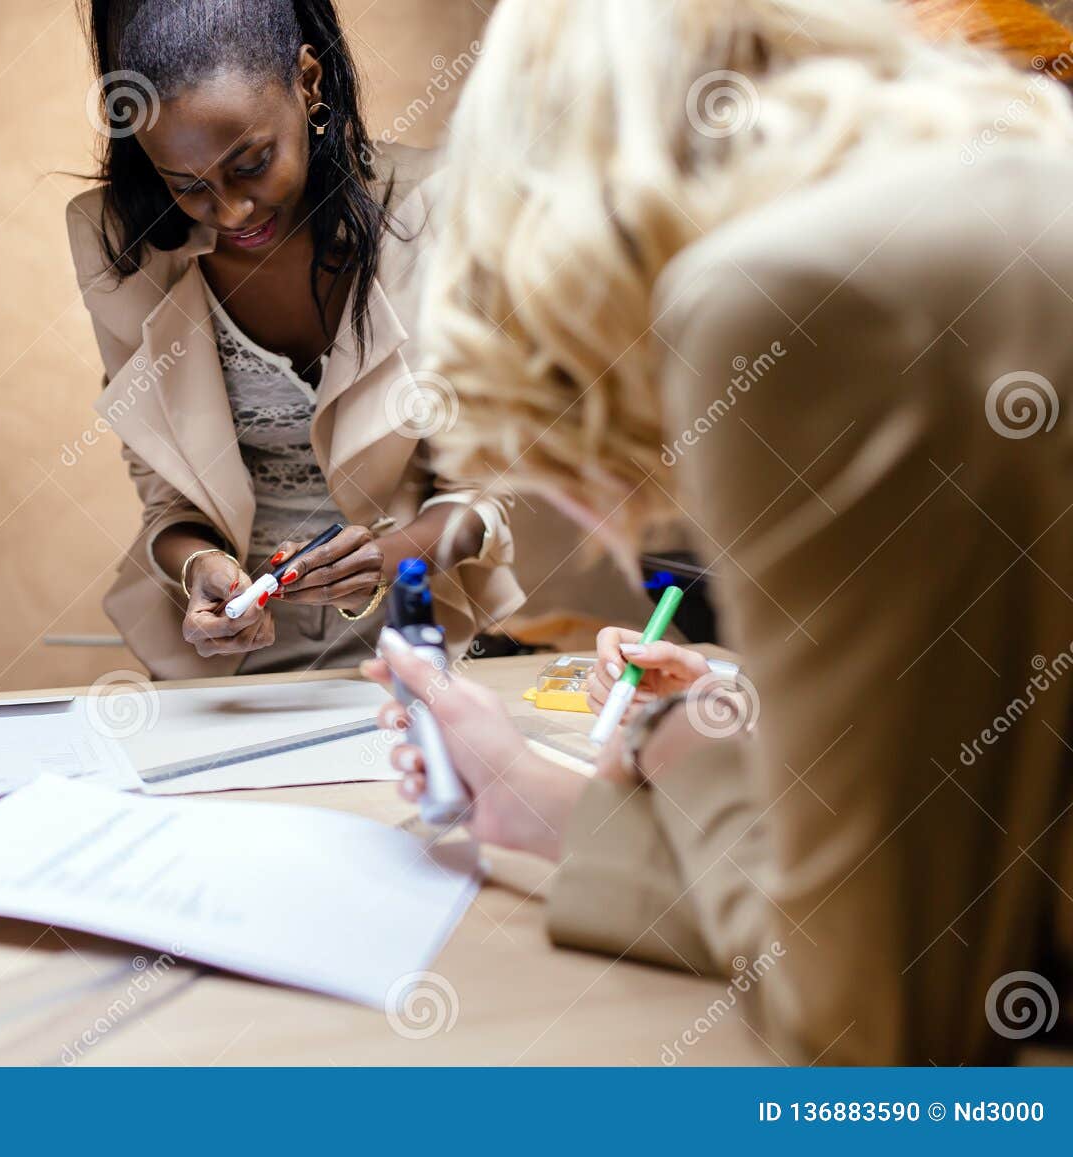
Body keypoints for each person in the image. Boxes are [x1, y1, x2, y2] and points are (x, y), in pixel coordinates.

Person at [365, 0, 1073, 1063]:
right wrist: (550, 805)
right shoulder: (1002, 206)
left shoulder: (807, 295)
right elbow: (988, 919)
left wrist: (679, 742)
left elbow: (876, 1042)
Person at [67, 0, 521, 680]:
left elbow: (484, 490)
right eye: (186, 186)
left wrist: (391, 555)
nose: (230, 211)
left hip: (420, 649)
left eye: (250, 163)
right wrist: (200, 565)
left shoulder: (441, 210)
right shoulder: (116, 245)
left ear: (308, 81)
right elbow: (168, 500)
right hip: (223, 674)